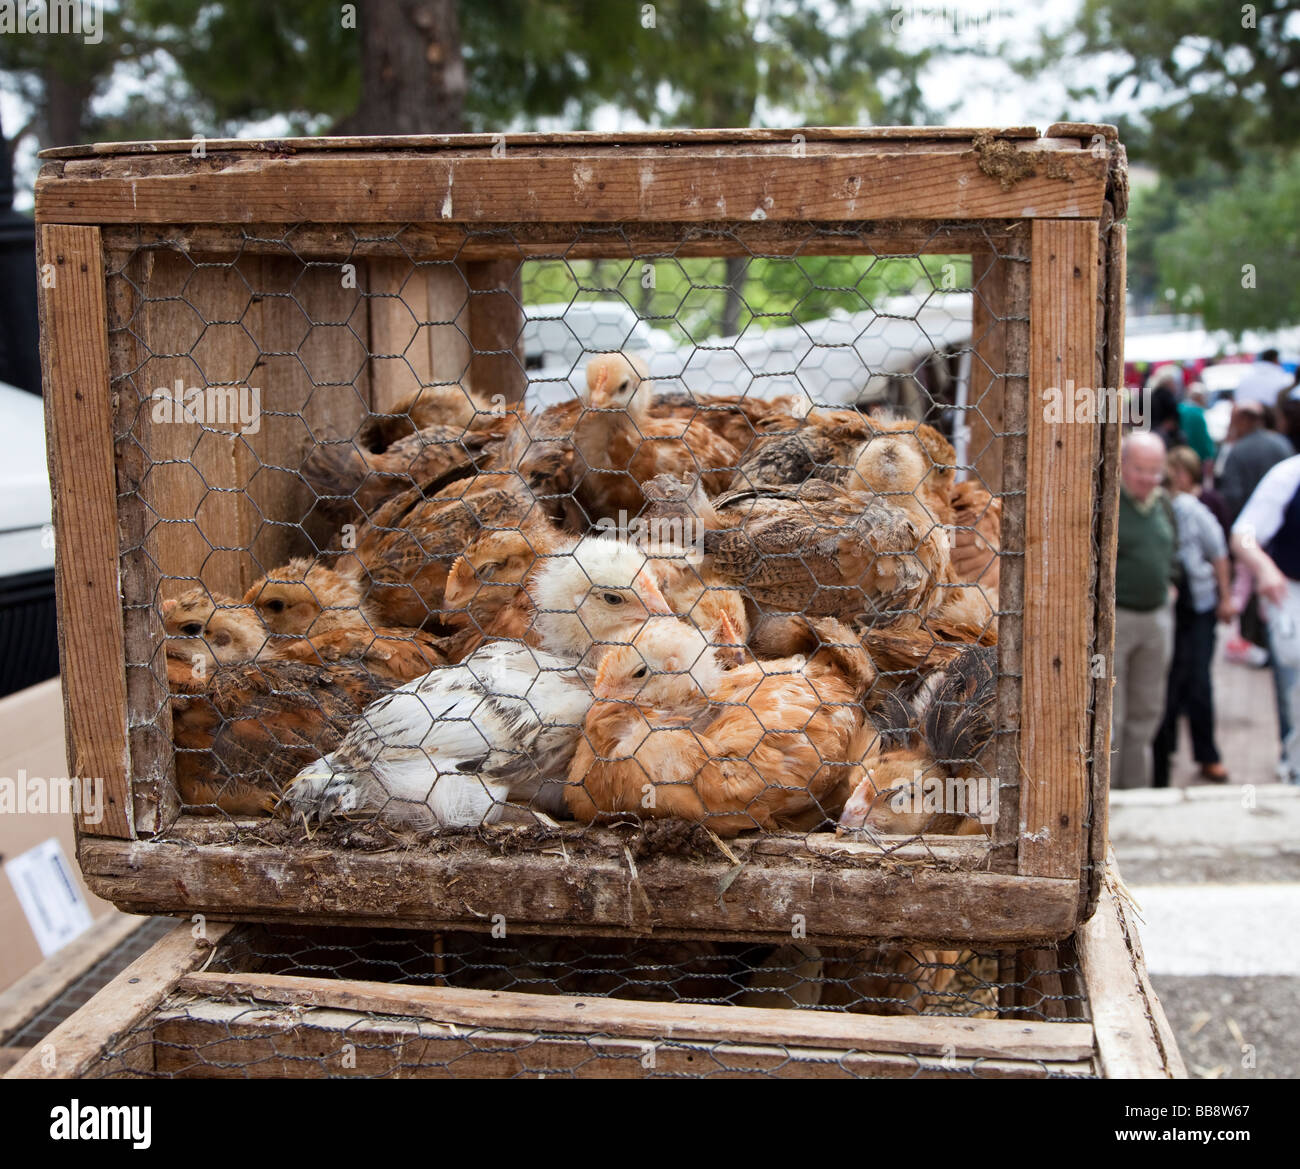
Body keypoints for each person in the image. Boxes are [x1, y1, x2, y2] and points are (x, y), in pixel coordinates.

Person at [1153, 447, 1233, 786]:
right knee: (1168, 685)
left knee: (1197, 681)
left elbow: (1219, 554)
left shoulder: (1192, 509)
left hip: (1197, 608)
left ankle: (1207, 755)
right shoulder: (1155, 508)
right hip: (1170, 607)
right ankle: (1163, 759)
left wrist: (1226, 599)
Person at [1112, 432, 1179, 790]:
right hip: (1119, 617)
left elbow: (1173, 546)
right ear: (1123, 465)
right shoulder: (1112, 502)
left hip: (1156, 617)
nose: (1149, 478)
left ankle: (1136, 792)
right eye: (1141, 469)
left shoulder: (1162, 502)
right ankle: (1106, 798)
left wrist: (1171, 579)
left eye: (1156, 471)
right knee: (1114, 716)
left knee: (1147, 712)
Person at [1231, 452, 1300, 784]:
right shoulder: (1288, 475)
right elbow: (1243, 534)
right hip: (1291, 595)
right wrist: (1264, 568)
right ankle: (1294, 768)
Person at [1177, 382, 1216, 466]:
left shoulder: (1179, 408)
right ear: (1199, 398)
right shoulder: (1198, 414)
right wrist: (1210, 455)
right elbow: (1204, 439)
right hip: (1196, 458)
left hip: (1179, 454)